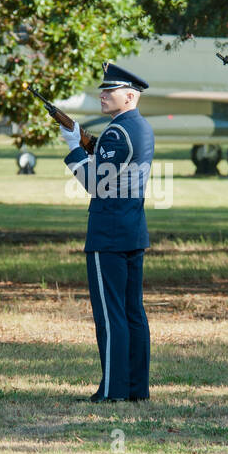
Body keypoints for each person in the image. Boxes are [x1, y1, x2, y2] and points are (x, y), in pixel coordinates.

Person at [60, 62, 154, 402]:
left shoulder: (117, 132)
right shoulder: (141, 127)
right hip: (131, 229)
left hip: (109, 232)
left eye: (110, 90)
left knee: (110, 314)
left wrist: (73, 148)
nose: (103, 94)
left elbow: (95, 183)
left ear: (129, 96)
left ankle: (113, 389)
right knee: (132, 313)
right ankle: (135, 388)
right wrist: (90, 147)